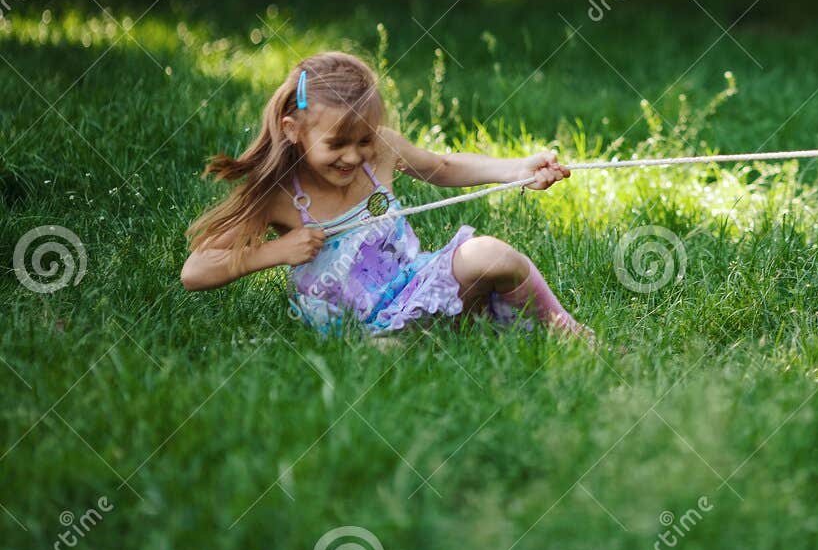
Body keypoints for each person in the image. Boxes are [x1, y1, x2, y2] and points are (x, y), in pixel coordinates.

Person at [181, 51, 591, 342]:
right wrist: (277, 251)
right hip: (355, 329)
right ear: (292, 130)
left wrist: (516, 170)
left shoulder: (379, 151)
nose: (353, 156)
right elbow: (195, 271)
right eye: (337, 143)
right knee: (382, 355)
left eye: (363, 139)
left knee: (490, 254)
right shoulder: (281, 195)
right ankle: (427, 340)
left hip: (417, 288)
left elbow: (443, 167)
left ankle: (565, 332)